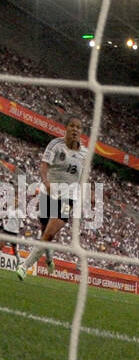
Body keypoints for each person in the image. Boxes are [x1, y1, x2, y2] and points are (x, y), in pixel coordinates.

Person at [16, 118, 86, 281]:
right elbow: (44, 166)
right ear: (66, 128)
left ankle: (24, 266)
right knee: (45, 232)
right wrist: (46, 182)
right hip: (49, 194)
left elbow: (82, 176)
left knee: (48, 234)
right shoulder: (55, 145)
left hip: (68, 198)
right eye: (72, 126)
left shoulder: (84, 153)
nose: (75, 130)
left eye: (79, 127)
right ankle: (48, 259)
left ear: (81, 132)